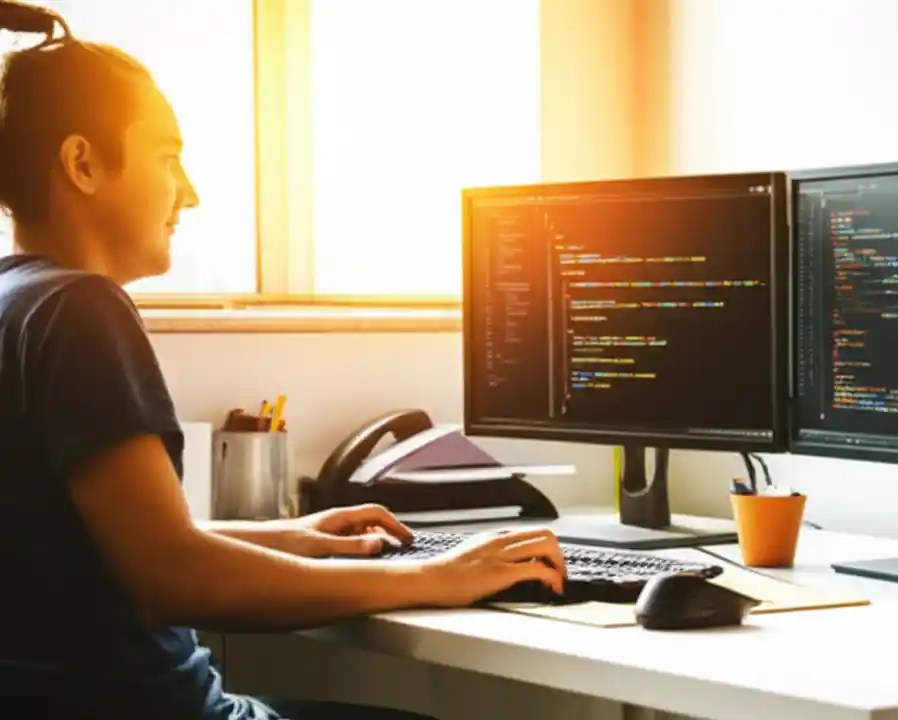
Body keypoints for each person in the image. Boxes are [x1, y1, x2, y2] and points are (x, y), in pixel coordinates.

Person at [0, 2, 564, 718]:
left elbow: (111, 545)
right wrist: (434, 577)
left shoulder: (15, 301)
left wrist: (290, 537)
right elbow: (172, 577)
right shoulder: (78, 309)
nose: (190, 192)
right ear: (82, 163)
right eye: (168, 157)